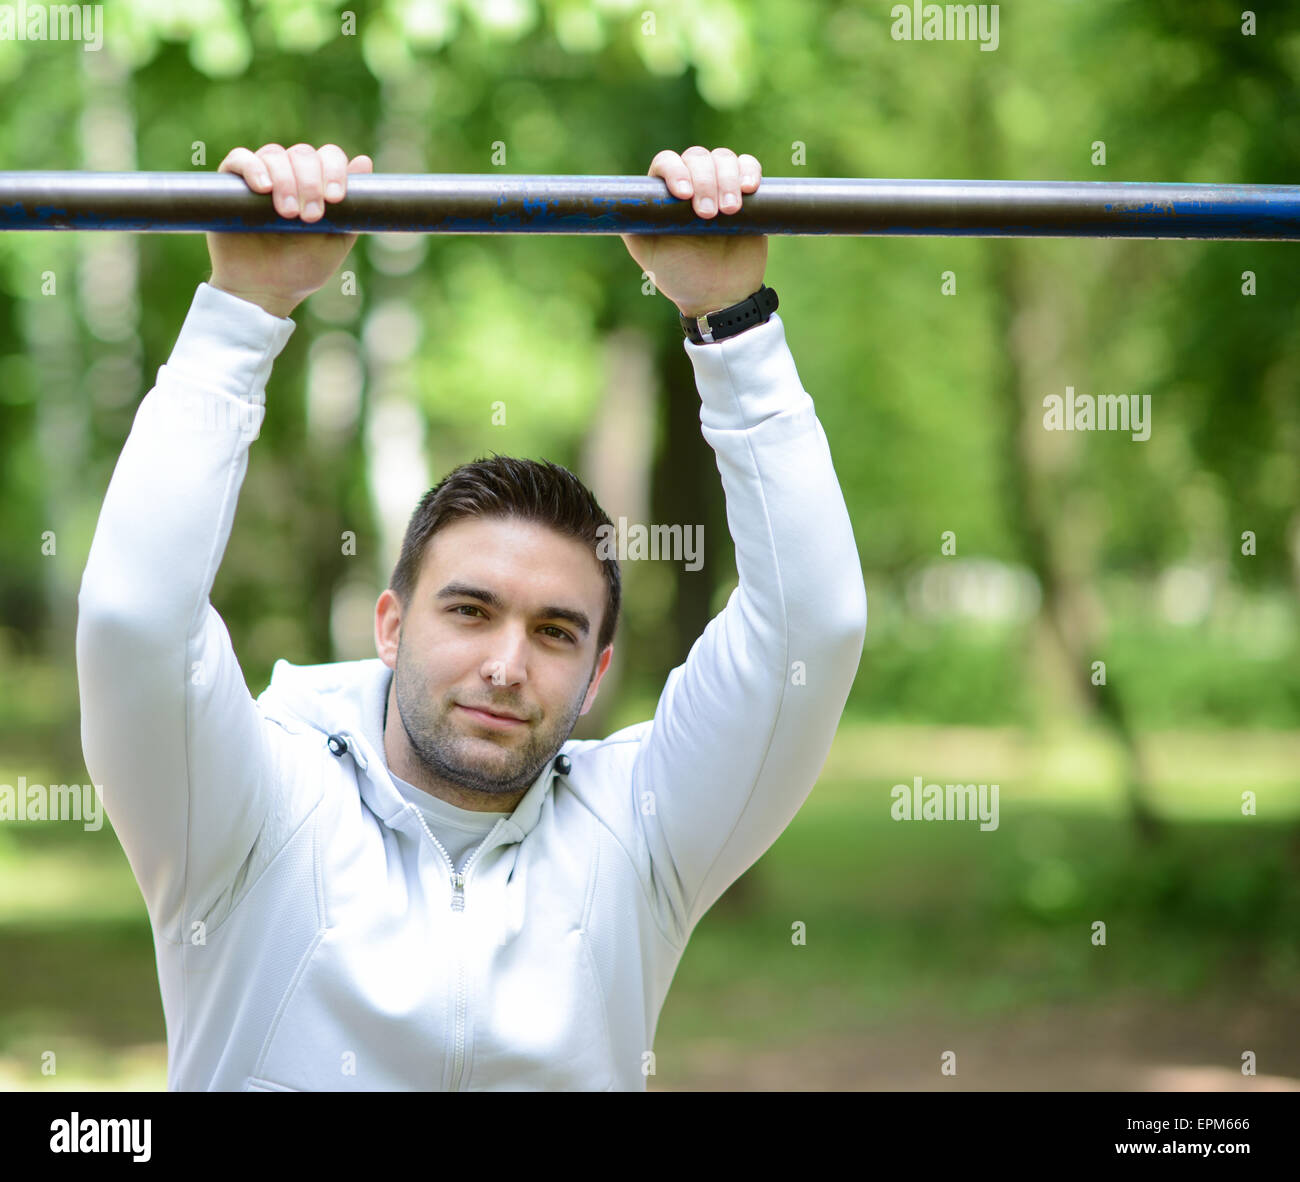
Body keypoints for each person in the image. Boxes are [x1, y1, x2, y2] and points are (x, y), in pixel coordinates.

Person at [75, 141, 868, 1091]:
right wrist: (243, 310)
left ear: (595, 676)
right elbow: (135, 619)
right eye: (470, 609)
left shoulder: (644, 832)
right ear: (390, 625)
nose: (507, 663)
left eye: (555, 631)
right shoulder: (245, 811)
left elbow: (811, 628)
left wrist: (733, 323)